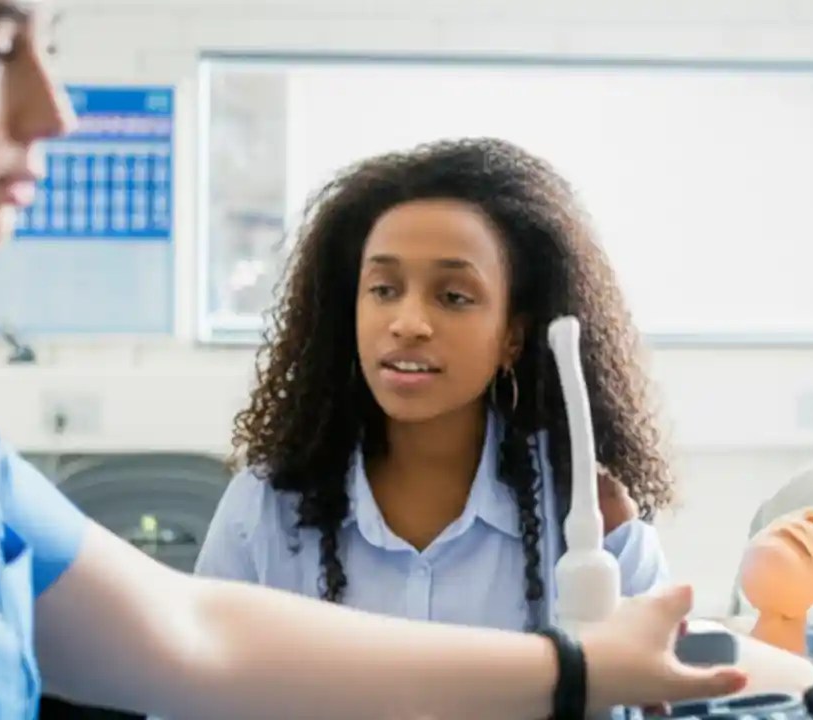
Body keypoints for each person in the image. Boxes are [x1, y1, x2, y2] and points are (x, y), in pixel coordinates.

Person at [0, 1, 748, 719]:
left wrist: (584, 666)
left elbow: (190, 633)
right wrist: (570, 668)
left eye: (454, 294)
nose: (58, 110)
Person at [194, 138, 672, 640]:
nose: (408, 323)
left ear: (512, 335)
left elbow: (665, 695)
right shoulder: (267, 505)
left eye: (453, 296)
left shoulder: (588, 512)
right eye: (384, 289)